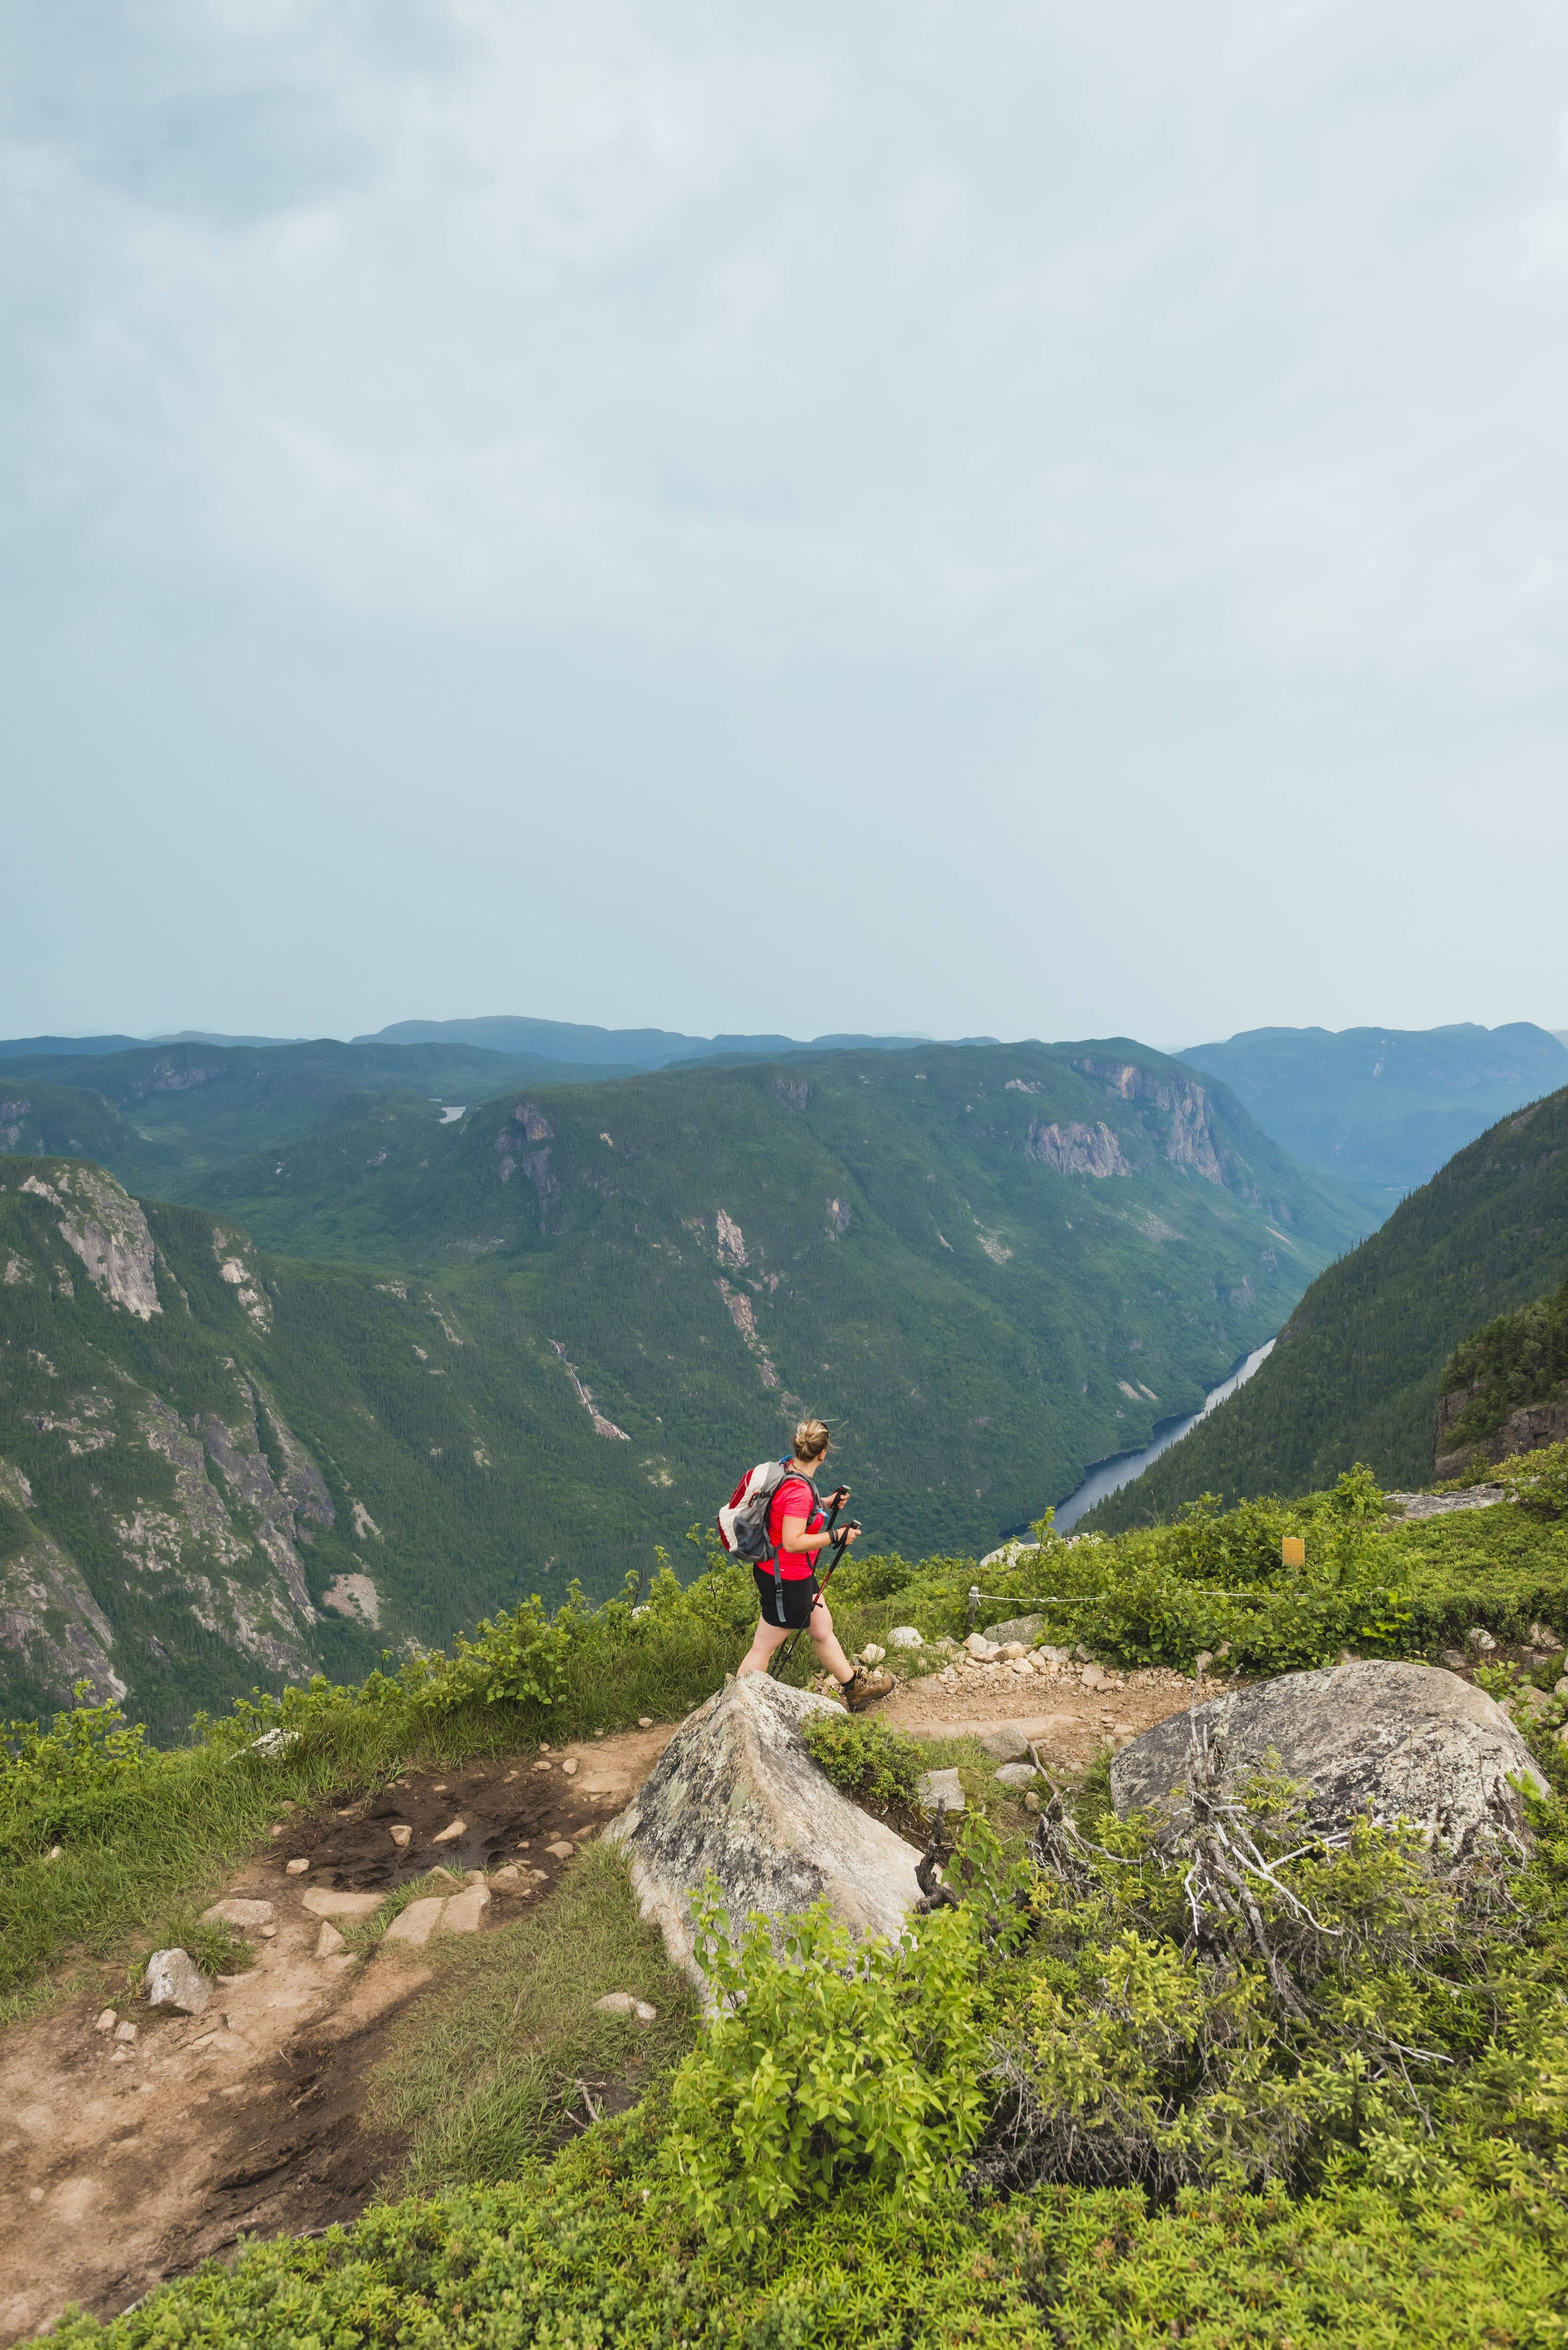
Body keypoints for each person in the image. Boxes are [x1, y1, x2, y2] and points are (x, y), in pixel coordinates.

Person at [735, 1418, 894, 1710]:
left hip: (788, 1574)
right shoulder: (799, 1490)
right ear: (822, 1454)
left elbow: (794, 1508)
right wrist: (836, 1535)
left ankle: (854, 1690)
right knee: (763, 1647)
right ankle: (737, 1708)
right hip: (787, 1580)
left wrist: (827, 1501)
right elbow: (793, 1540)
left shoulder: (790, 1473)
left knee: (821, 1628)